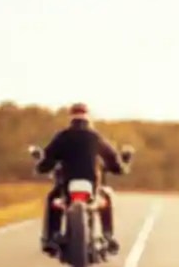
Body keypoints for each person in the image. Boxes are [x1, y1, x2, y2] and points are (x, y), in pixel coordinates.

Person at [35, 103, 125, 255]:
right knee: (106, 198)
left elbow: (47, 161)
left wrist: (41, 166)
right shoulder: (95, 137)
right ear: (88, 117)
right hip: (92, 182)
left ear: (71, 117)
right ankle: (108, 235)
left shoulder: (62, 136)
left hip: (67, 182)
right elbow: (112, 158)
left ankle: (51, 236)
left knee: (53, 199)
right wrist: (120, 168)